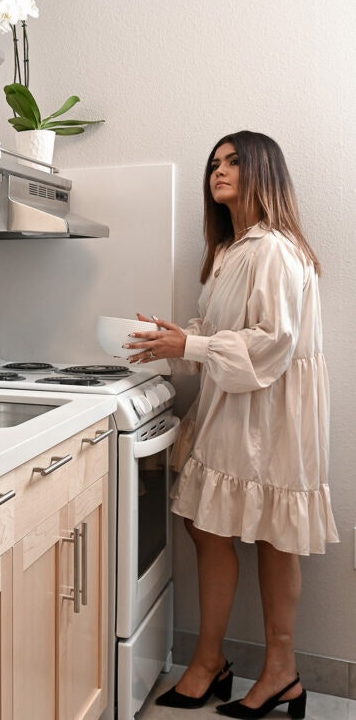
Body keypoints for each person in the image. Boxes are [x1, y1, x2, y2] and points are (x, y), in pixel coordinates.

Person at [125, 131, 338, 719]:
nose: (218, 170)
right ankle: (215, 660)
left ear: (263, 170)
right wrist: (175, 338)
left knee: (271, 533)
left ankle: (278, 670)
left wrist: (190, 342)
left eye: (233, 161)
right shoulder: (230, 251)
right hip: (240, 402)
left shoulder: (272, 248)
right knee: (208, 526)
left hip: (270, 407)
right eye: (213, 163)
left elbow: (273, 343)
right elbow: (227, 330)